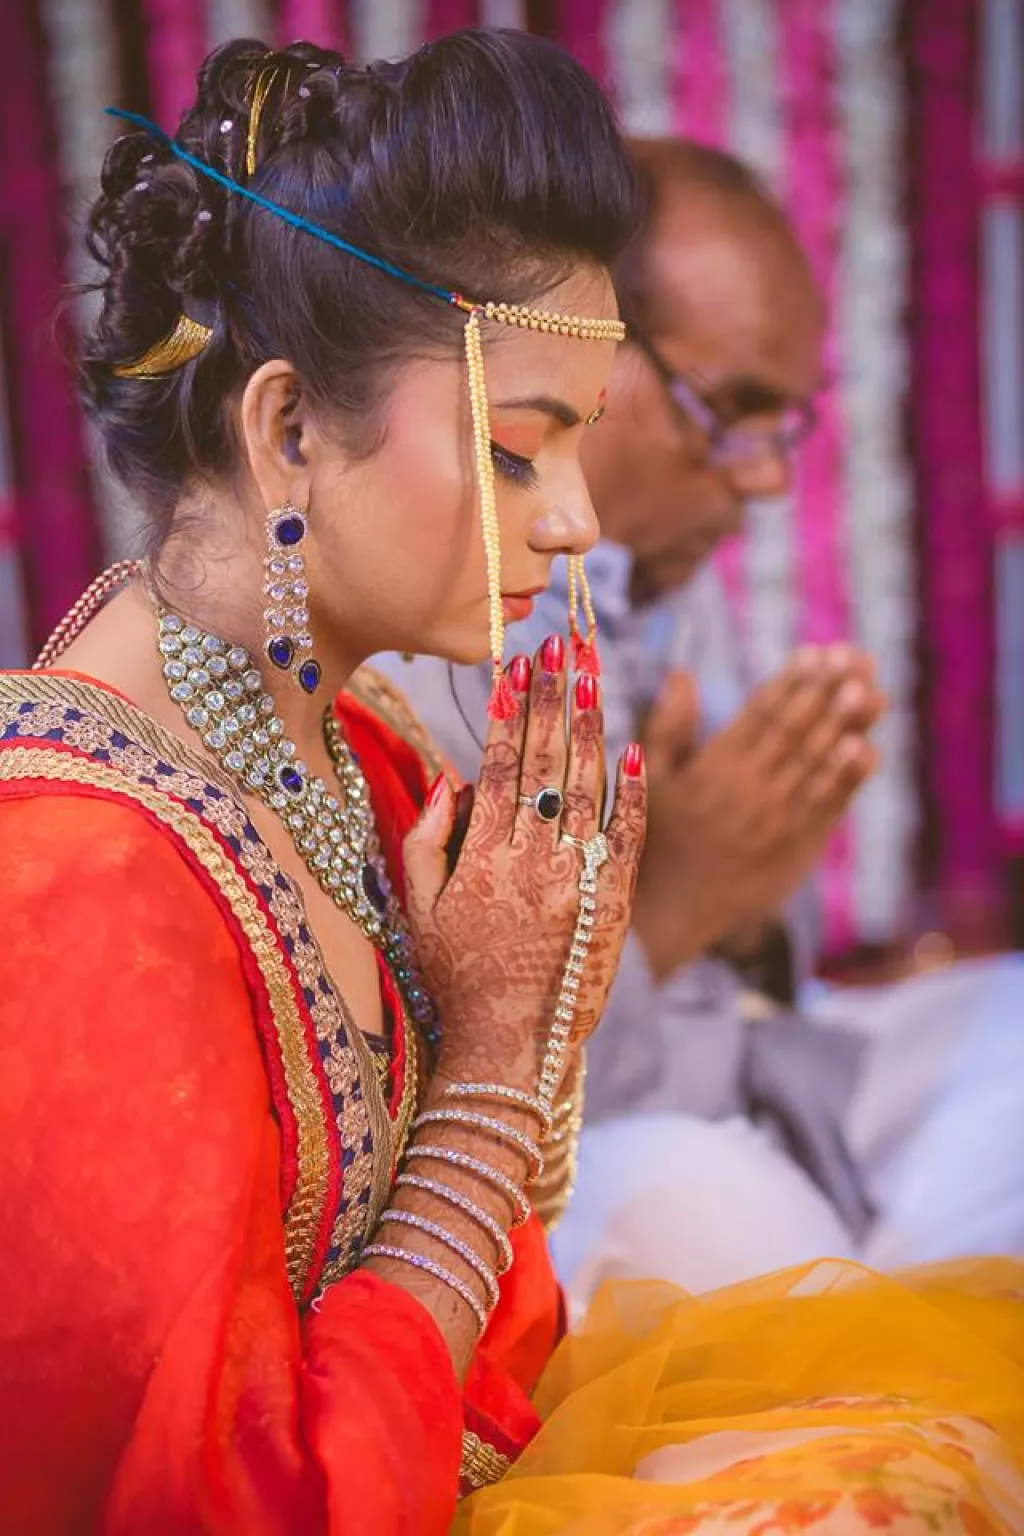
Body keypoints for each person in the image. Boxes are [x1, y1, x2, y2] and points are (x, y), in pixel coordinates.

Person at [1, 35, 1021, 1536]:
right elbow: (222, 1504)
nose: (577, 523)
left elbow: (501, 1345)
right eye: (519, 450)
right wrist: (487, 1068)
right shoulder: (79, 883)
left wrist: (552, 1024)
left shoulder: (370, 753)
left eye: (581, 453)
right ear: (287, 430)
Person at [375, 138, 1024, 1299]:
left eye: (786, 425)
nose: (767, 480)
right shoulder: (431, 622)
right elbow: (460, 1119)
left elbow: (757, 979)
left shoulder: (659, 574)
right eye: (731, 412)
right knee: (689, 1193)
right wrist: (673, 900)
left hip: (748, 1078)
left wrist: (733, 877)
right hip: (571, 1178)